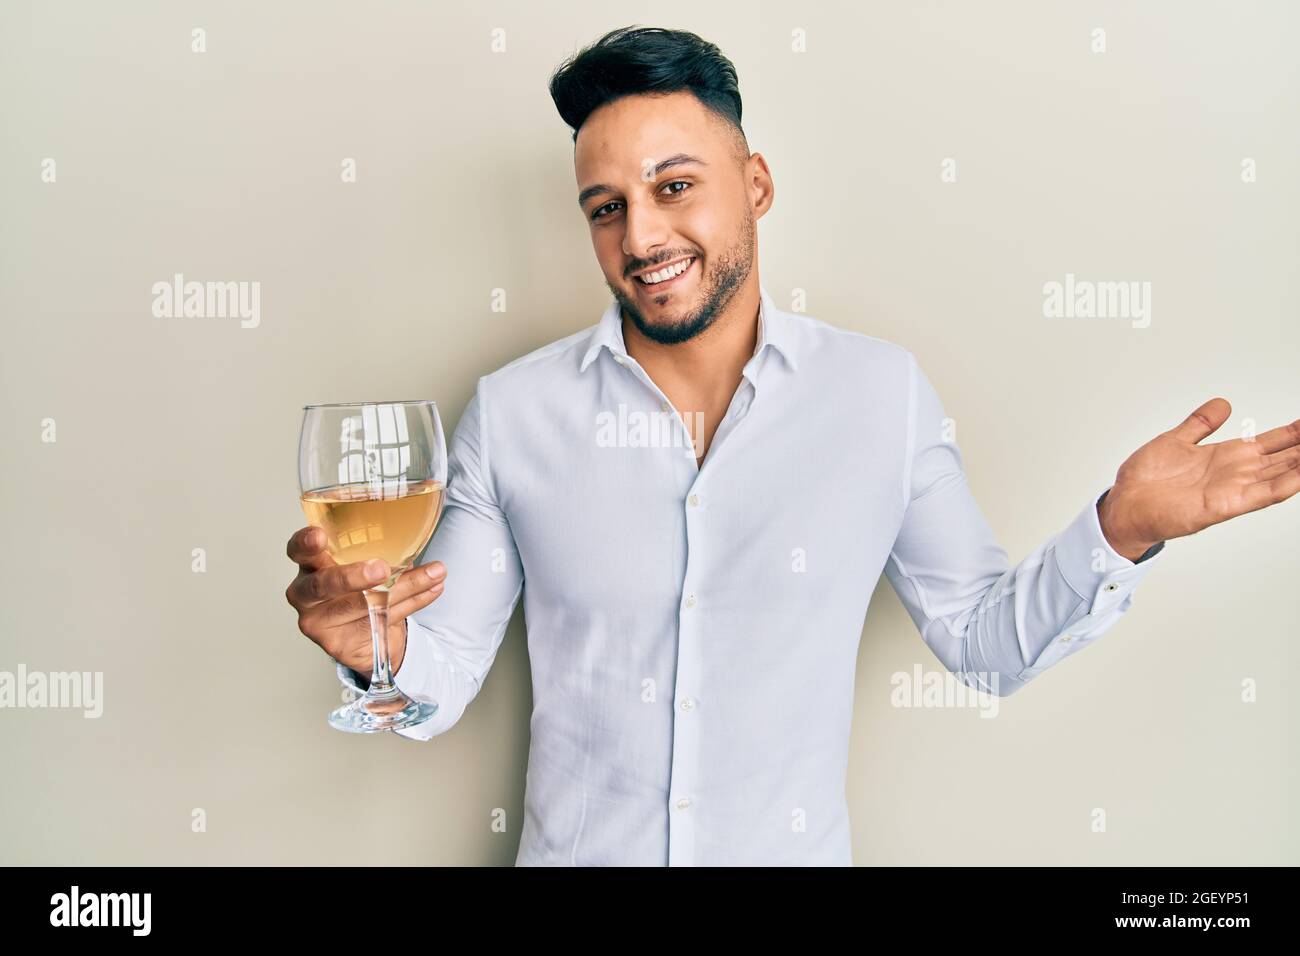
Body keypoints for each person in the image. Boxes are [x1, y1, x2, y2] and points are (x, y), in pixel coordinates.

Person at [284, 26, 1300, 866]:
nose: (640, 237)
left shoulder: (879, 396)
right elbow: (441, 670)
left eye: (674, 186)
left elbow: (984, 644)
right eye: (607, 208)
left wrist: (1118, 531)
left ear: (755, 183)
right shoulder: (512, 412)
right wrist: (373, 647)